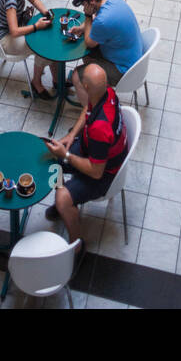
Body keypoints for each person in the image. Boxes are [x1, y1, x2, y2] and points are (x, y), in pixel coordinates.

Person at [44, 64, 128, 261]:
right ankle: (62, 204)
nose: (74, 89)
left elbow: (96, 172)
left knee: (63, 198)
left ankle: (77, 245)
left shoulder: (100, 128)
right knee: (51, 162)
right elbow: (86, 109)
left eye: (77, 85)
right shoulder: (106, 92)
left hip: (104, 172)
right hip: (94, 151)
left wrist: (67, 155)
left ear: (87, 89)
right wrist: (72, 135)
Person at [66, 0, 144, 106]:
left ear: (91, 1)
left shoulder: (103, 20)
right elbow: (97, 22)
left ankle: (93, 114)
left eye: (83, 4)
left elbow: (90, 42)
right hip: (134, 57)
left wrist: (87, 16)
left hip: (124, 70)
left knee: (77, 76)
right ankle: (95, 87)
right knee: (86, 54)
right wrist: (81, 28)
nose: (83, 7)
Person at [0, 0, 58, 99]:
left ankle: (57, 80)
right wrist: (36, 27)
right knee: (42, 48)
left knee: (48, 39)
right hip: (5, 38)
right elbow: (14, 31)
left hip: (15, 28)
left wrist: (46, 13)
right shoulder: (11, 1)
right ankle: (36, 83)